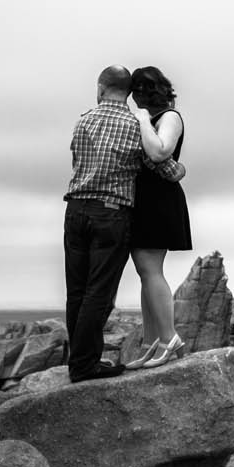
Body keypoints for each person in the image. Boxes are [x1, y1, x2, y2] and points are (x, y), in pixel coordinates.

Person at [61, 66, 156, 381]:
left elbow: (77, 159)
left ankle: (79, 362)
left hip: (75, 210)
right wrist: (178, 170)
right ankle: (84, 365)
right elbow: (158, 163)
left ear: (101, 88)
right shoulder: (134, 125)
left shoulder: (83, 120)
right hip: (111, 213)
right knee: (98, 294)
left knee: (76, 292)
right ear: (127, 92)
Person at [122, 65, 192, 369]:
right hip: (143, 201)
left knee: (151, 269)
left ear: (142, 91)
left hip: (160, 201)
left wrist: (140, 119)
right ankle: (152, 342)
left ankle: (168, 338)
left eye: (135, 92)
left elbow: (160, 152)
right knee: (144, 271)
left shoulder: (169, 118)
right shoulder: (151, 118)